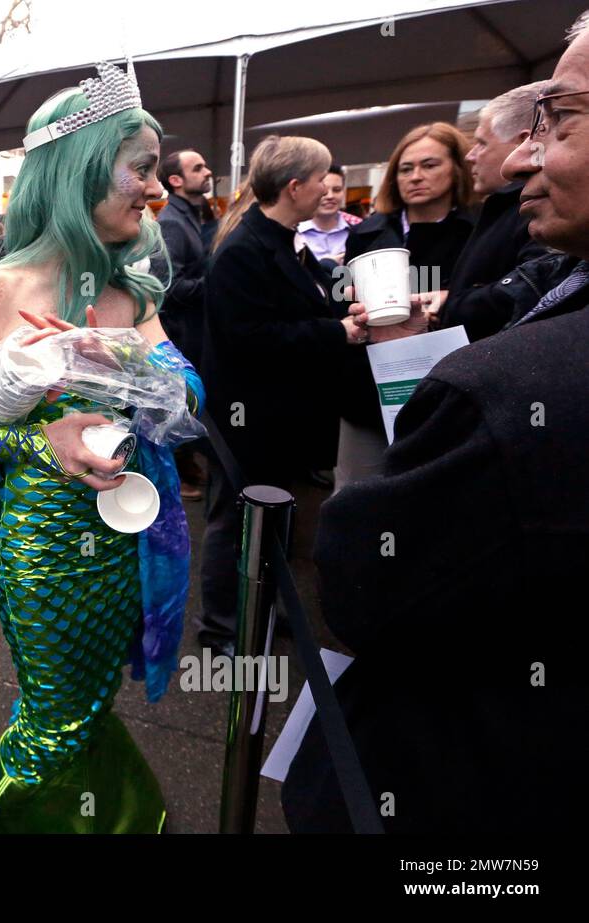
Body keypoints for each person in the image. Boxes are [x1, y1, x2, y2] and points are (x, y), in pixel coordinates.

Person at [282, 14, 589, 833]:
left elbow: (364, 580)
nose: (526, 159)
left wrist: (453, 333)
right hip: (373, 403)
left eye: (559, 123)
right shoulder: (369, 236)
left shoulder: (507, 384)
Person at [0, 62, 204, 833]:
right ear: (77, 171)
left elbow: (188, 398)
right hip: (43, 557)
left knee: (88, 707)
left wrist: (120, 362)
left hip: (125, 543)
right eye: (139, 169)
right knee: (56, 722)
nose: (155, 188)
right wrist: (42, 441)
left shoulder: (129, 288)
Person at [197, 136, 365, 657]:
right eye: (321, 180)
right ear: (295, 187)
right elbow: (252, 338)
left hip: (279, 416)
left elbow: (314, 297)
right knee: (234, 521)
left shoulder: (285, 239)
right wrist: (339, 333)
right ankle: (223, 627)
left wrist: (352, 304)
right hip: (245, 420)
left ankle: (265, 606)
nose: (329, 189)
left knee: (274, 518)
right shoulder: (243, 252)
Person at [336, 123, 475, 490]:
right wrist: (351, 311)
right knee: (360, 490)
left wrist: (444, 303)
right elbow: (338, 300)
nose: (416, 177)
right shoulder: (366, 232)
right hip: (370, 386)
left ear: (457, 169)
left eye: (430, 165)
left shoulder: (476, 232)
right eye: (405, 168)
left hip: (447, 384)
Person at [434, 82, 550, 340]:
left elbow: (535, 287)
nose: (470, 156)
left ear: (525, 143)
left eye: (481, 144)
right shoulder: (502, 206)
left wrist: (459, 304)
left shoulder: (534, 210)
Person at [152, 149, 213, 366]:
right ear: (175, 180)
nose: (208, 172)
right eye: (198, 168)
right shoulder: (172, 222)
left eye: (205, 166)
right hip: (183, 338)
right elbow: (169, 286)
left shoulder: (187, 216)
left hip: (193, 332)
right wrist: (217, 282)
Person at [296, 164, 361, 266]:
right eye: (324, 190)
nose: (330, 196)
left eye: (337, 190)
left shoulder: (359, 228)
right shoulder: (294, 231)